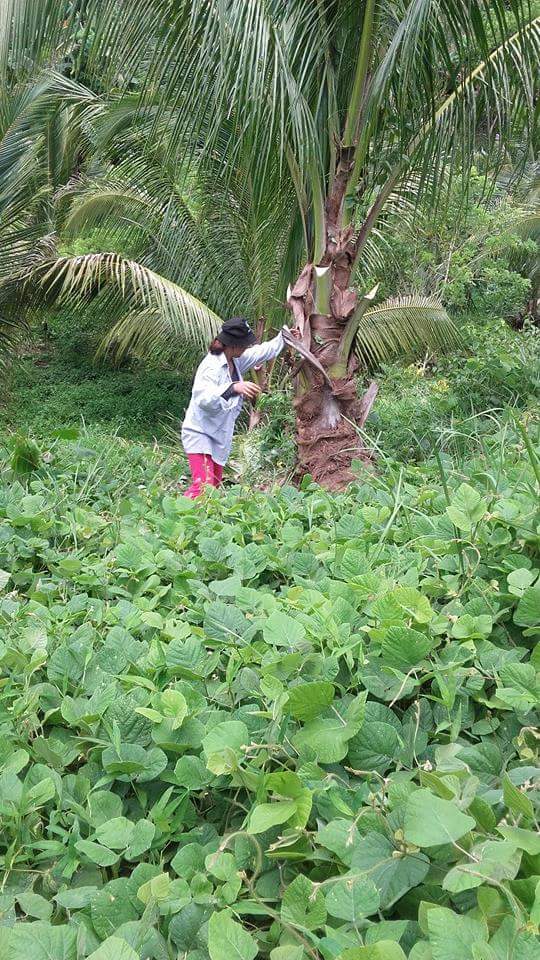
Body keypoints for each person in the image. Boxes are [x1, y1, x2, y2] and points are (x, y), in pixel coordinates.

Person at [181, 317, 288, 498]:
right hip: (200, 433)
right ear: (233, 345)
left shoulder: (235, 360)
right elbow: (203, 399)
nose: (247, 348)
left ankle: (200, 523)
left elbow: (263, 351)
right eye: (244, 345)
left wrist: (285, 336)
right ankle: (178, 516)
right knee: (203, 488)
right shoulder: (211, 366)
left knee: (212, 490)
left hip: (218, 436)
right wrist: (233, 388)